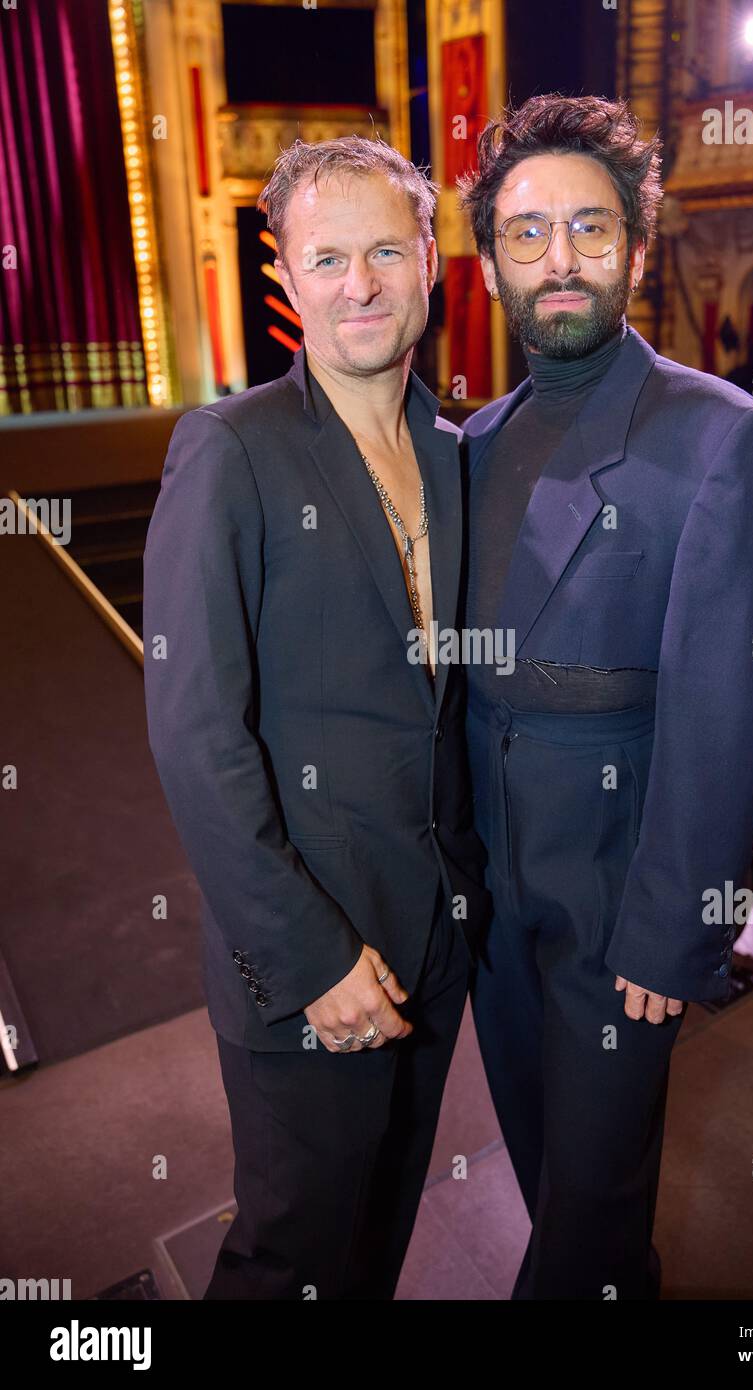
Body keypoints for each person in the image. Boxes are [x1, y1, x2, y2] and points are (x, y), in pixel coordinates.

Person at [455, 93, 753, 1300]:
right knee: (546, 1163)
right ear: (491, 258)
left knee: (592, 1201)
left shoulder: (723, 436)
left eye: (589, 230)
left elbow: (733, 710)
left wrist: (677, 923)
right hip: (491, 890)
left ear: (638, 251)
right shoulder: (470, 440)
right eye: (526, 232)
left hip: (619, 890)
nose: (559, 260)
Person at [143, 135, 490, 1300]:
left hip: (436, 935)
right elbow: (196, 735)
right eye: (327, 257)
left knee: (378, 1237)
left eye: (386, 249)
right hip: (315, 954)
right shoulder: (230, 449)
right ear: (284, 278)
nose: (361, 284)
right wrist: (308, 958)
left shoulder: (455, 452)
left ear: (430, 260)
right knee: (290, 1259)